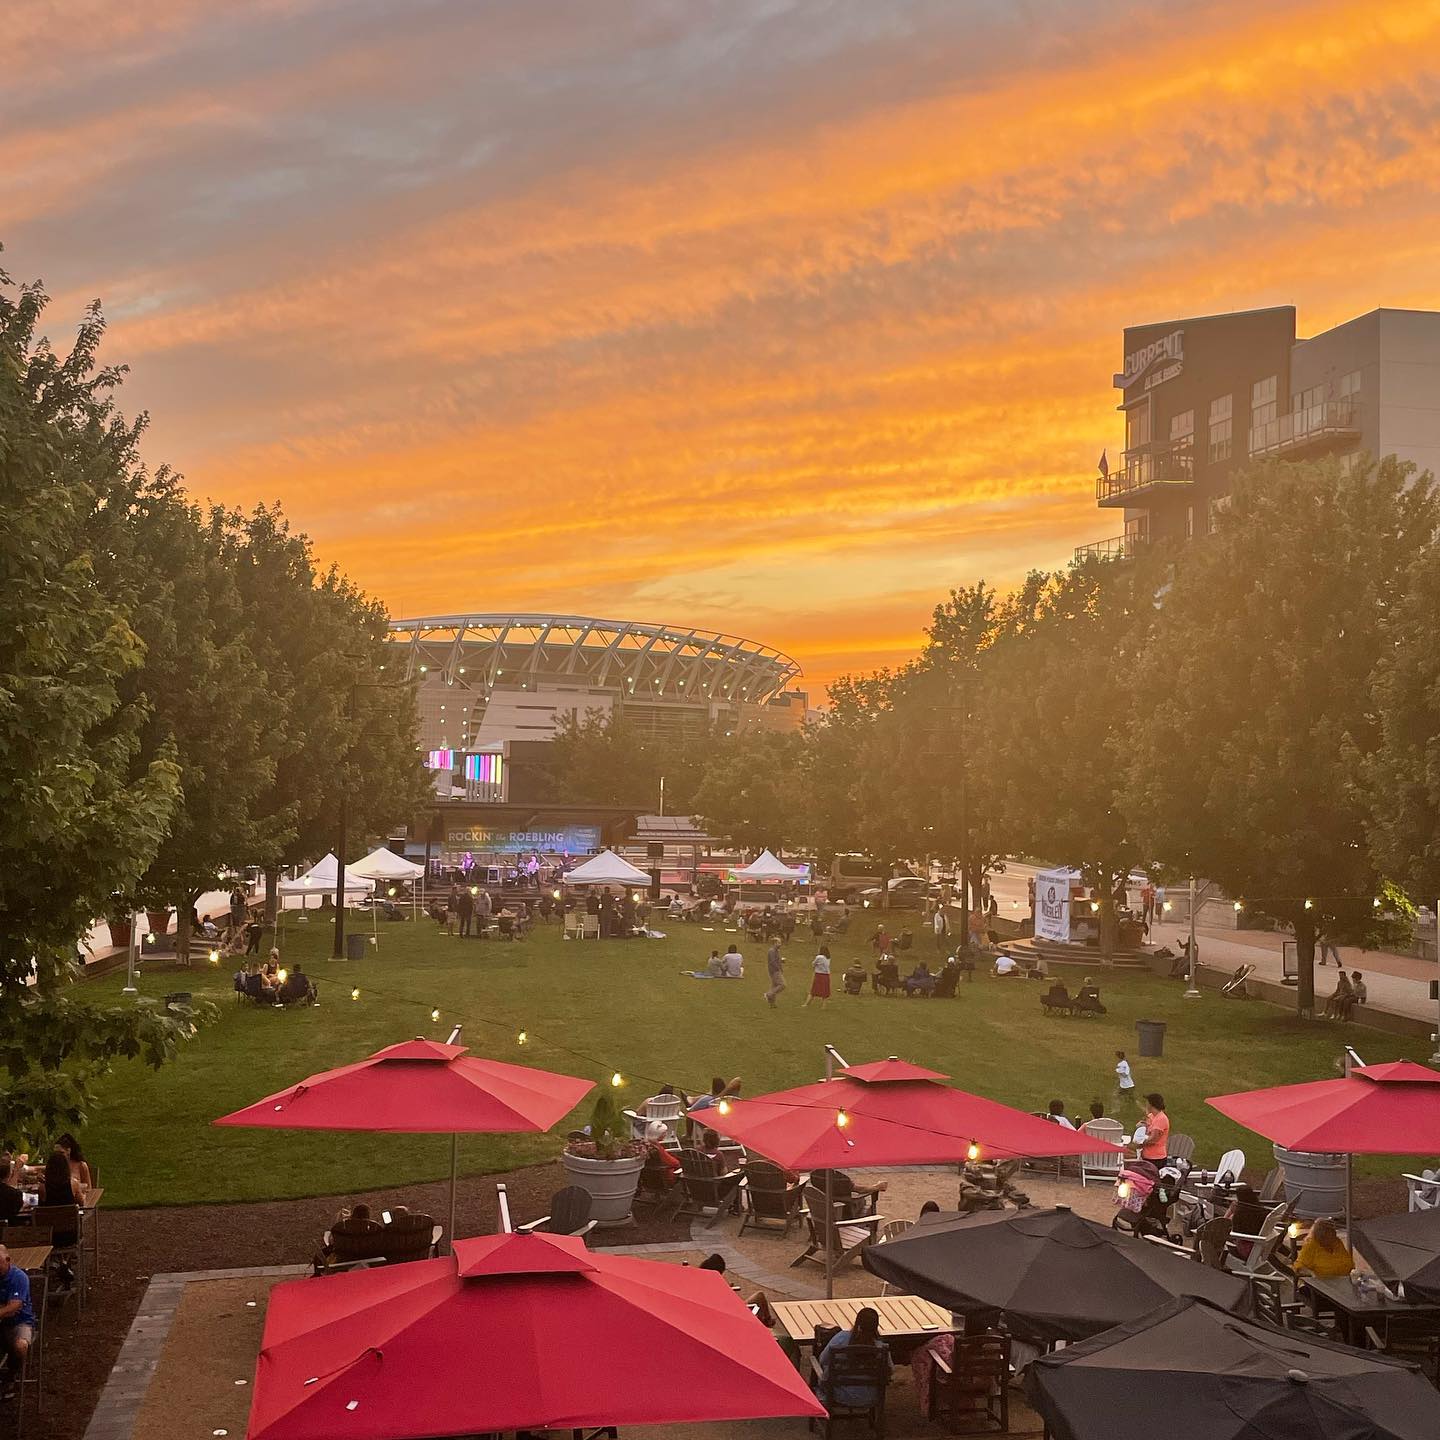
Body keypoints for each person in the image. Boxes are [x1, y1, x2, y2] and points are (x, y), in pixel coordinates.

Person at [816, 1305, 891, 1409]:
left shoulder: (841, 1339)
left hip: (841, 1395)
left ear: (858, 1323)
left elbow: (823, 1359)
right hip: (871, 1396)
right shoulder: (881, 1347)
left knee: (820, 1377)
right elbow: (889, 1370)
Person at [0, 1247, 35, 1398]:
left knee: (21, 1346)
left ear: (7, 1260)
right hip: (3, 1323)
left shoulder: (19, 1277)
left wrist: (4, 1310)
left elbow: (14, 1306)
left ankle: (12, 1374)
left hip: (20, 1322)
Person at [1139, 1093, 1170, 1162]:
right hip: (1147, 1156)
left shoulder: (1161, 1119)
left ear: (1151, 1104)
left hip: (1156, 1158)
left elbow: (1153, 1140)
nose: (1146, 1104)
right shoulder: (1151, 1116)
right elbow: (1144, 1130)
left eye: (1147, 1103)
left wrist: (1139, 1142)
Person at [764, 939, 785, 1007]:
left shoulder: (776, 951)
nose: (780, 944)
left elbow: (776, 960)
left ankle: (772, 1004)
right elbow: (772, 962)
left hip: (775, 970)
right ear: (774, 943)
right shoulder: (771, 951)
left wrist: (781, 961)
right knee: (782, 985)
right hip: (774, 971)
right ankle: (768, 994)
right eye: (779, 943)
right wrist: (778, 968)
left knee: (774, 986)